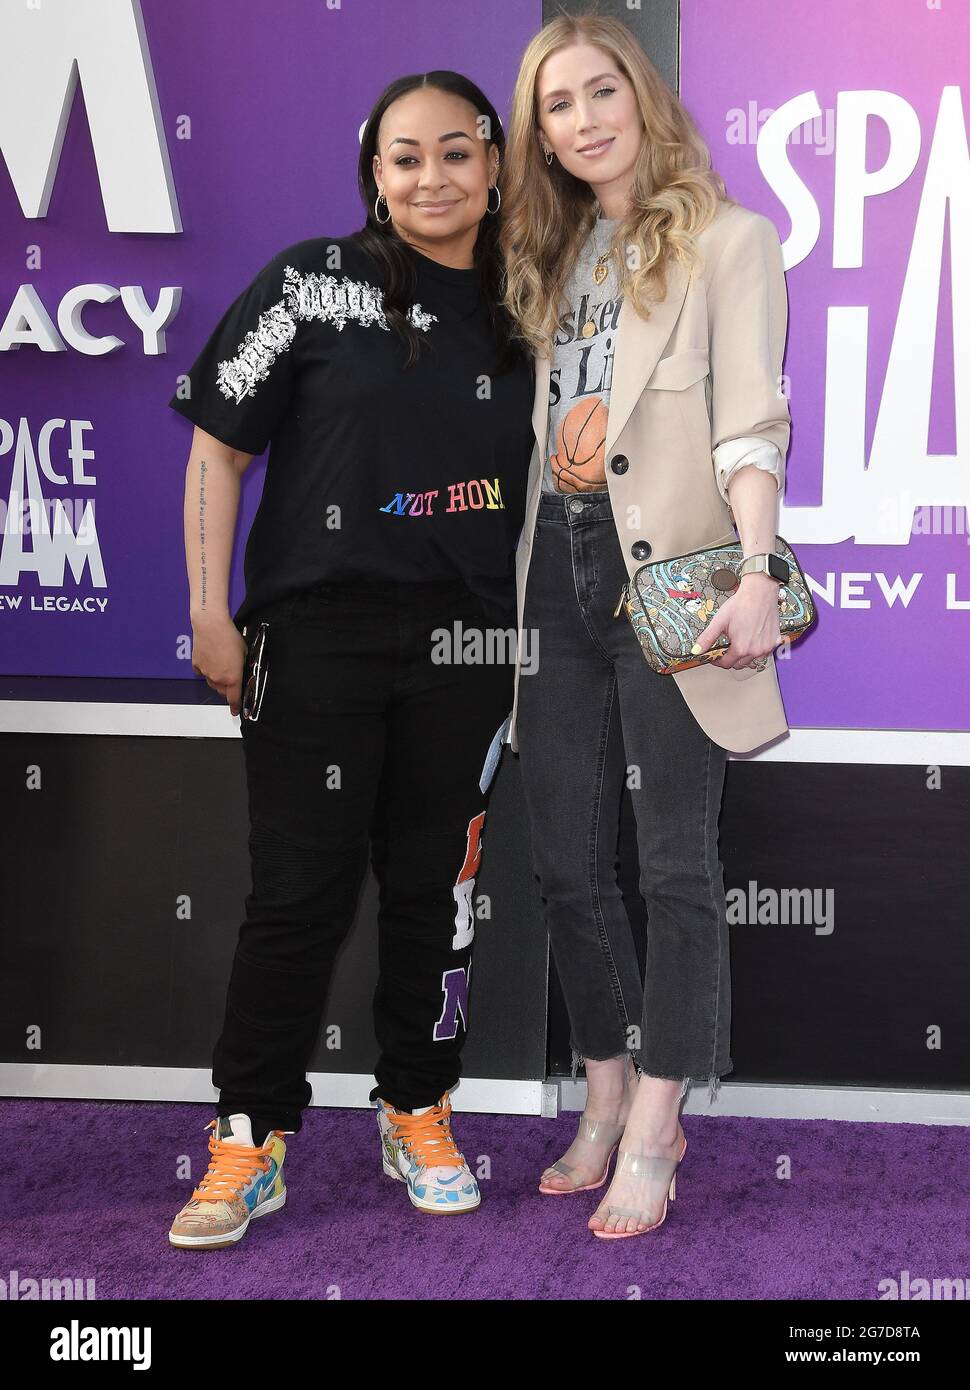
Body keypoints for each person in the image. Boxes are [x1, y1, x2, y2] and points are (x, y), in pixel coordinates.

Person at [165, 72, 535, 1247]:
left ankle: (415, 1106)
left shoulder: (534, 304)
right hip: (313, 637)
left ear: (493, 164)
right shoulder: (310, 281)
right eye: (404, 157)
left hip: (468, 640)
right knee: (296, 898)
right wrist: (210, 615)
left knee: (438, 891)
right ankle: (248, 1136)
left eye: (455, 153)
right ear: (373, 174)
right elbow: (217, 451)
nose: (431, 178)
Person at [499, 14, 793, 1238]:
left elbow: (748, 428)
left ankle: (663, 1119)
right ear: (543, 134)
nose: (582, 119)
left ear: (642, 93)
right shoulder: (555, 259)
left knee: (673, 864)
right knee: (568, 863)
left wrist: (761, 568)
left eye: (599, 89)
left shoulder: (731, 240)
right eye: (556, 105)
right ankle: (608, 1088)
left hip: (673, 583)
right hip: (553, 580)